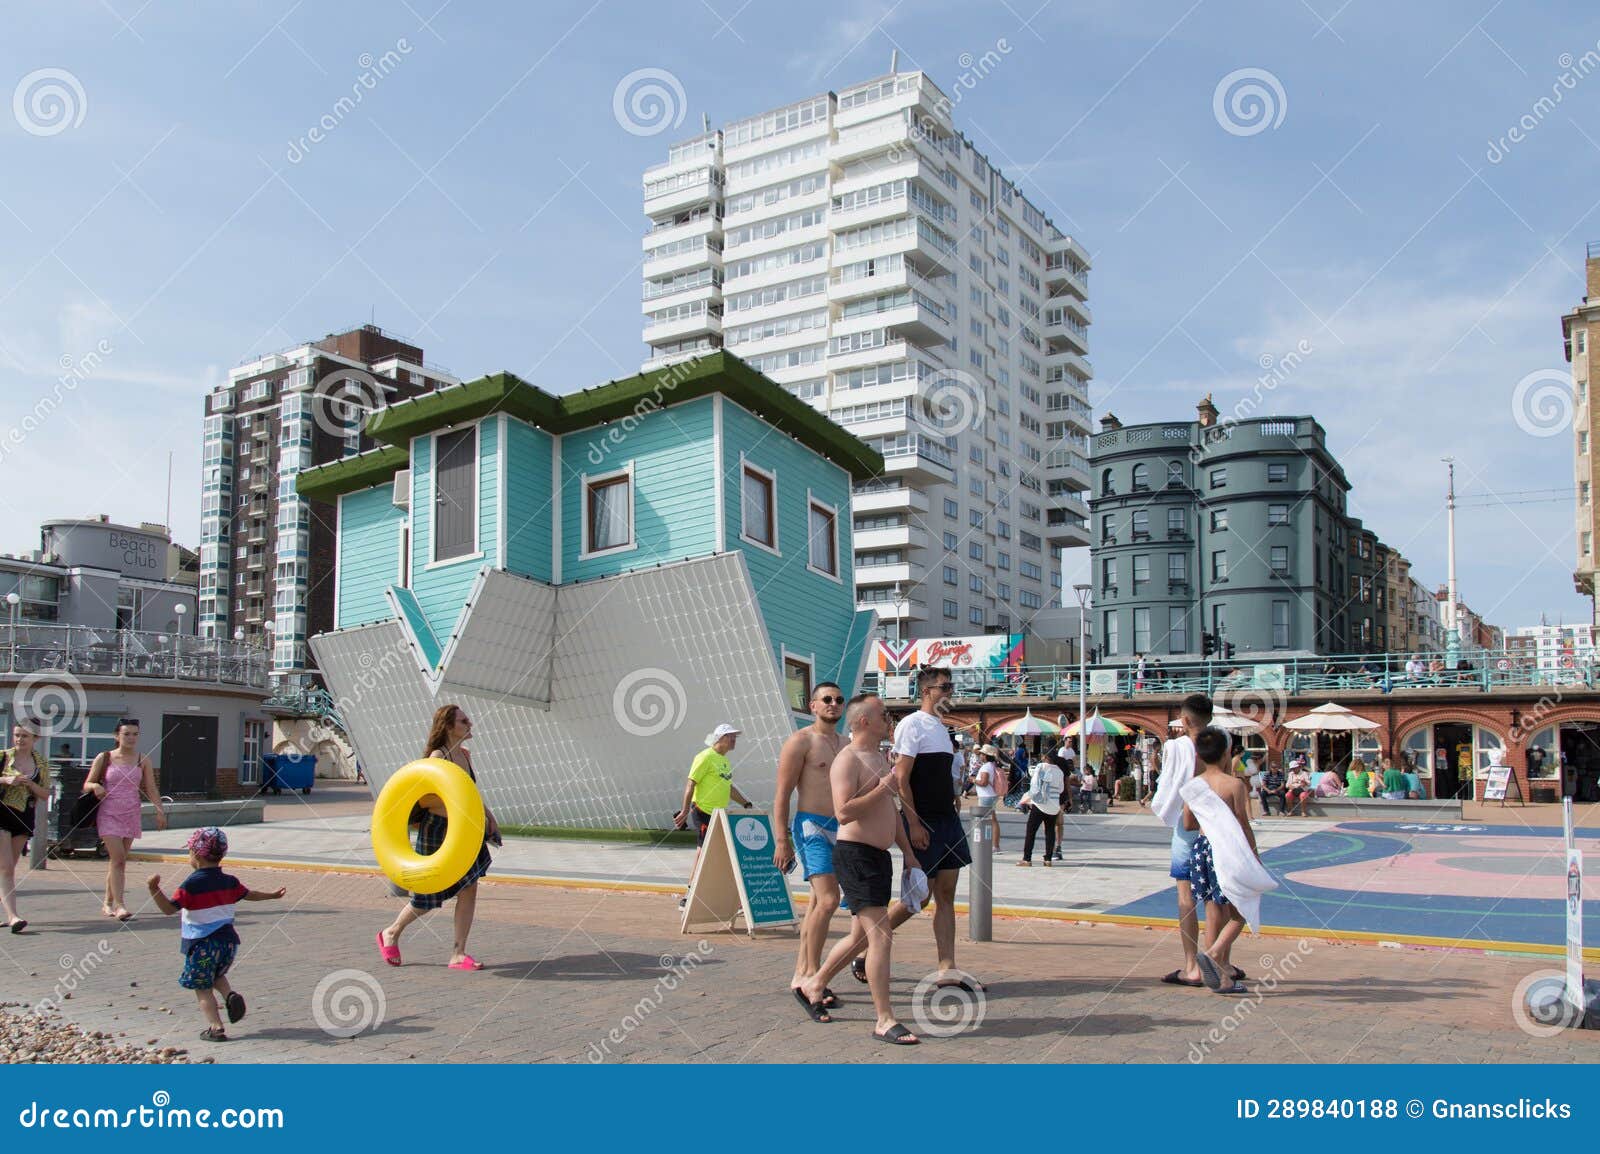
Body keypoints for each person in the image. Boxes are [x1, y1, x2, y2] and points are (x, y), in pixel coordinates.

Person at [846, 666, 980, 992]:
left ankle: (947, 967)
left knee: (946, 893)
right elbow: (901, 778)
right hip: (924, 820)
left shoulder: (940, 727)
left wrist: (952, 797)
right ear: (926, 691)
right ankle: (864, 948)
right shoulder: (911, 724)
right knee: (916, 896)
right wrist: (914, 822)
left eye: (950, 686)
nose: (949, 691)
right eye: (943, 686)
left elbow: (937, 775)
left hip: (946, 818)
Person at [797, 694, 921, 1044]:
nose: (890, 720)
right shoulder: (846, 760)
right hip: (855, 855)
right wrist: (882, 787)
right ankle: (884, 1019)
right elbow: (844, 811)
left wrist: (908, 853)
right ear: (865, 721)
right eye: (885, 715)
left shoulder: (881, 758)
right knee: (881, 935)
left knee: (860, 936)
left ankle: (815, 984)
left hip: (878, 856)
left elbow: (891, 812)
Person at [376, 705, 499, 970]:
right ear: (448, 726)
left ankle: (458, 953)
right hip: (439, 829)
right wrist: (455, 801)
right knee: (427, 898)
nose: (470, 724)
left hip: (464, 829)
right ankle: (392, 932)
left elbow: (470, 793)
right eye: (464, 720)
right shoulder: (436, 758)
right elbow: (425, 798)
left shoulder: (464, 756)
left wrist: (488, 815)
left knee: (469, 888)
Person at [145, 826, 286, 1042]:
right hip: (228, 943)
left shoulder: (192, 884)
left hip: (202, 945)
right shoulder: (229, 881)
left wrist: (154, 888)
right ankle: (230, 995)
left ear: (195, 855)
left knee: (202, 987)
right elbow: (250, 895)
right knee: (217, 975)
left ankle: (216, 1027)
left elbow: (168, 909)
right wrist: (272, 896)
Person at [1151, 693, 1242, 989]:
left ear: (1186, 719)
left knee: (1185, 896)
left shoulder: (1177, 746)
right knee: (1217, 895)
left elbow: (1169, 782)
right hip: (1214, 823)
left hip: (1186, 823)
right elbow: (1227, 777)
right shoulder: (1222, 741)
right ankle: (1219, 960)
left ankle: (1192, 966)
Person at [772, 683, 847, 1012]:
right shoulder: (800, 742)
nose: (834, 704)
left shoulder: (846, 744)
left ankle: (805, 971)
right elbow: (782, 793)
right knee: (830, 900)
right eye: (827, 700)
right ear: (813, 706)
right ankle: (809, 975)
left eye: (839, 700)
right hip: (811, 825)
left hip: (842, 827)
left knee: (818, 903)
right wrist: (781, 839)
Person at [1184, 726, 1259, 996]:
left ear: (1200, 755)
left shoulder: (1192, 786)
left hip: (1202, 848)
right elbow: (1243, 823)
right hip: (1227, 850)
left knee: (1213, 911)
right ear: (1227, 753)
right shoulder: (1235, 784)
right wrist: (1254, 855)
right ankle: (1214, 955)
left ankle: (1220, 973)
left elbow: (1188, 822)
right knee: (1241, 911)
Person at [84, 719, 166, 920]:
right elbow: (87, 783)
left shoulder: (142, 759)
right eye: (126, 733)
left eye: (135, 734)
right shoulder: (105, 758)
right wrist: (95, 787)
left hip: (131, 812)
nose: (131, 738)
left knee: (117, 861)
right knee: (118, 858)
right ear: (117, 736)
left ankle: (107, 902)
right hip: (108, 812)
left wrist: (159, 810)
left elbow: (151, 787)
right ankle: (120, 905)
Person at [674, 722, 754, 909]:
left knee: (727, 854)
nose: (734, 740)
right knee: (702, 852)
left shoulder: (725, 761)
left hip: (720, 815)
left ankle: (732, 899)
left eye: (735, 736)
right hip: (703, 812)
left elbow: (728, 788)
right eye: (731, 736)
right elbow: (690, 784)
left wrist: (746, 803)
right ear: (721, 738)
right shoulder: (704, 757)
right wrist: (685, 811)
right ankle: (688, 896)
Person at [0, 718, 52, 932]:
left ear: (35, 738)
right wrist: (5, 780)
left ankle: (8, 912)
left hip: (23, 816)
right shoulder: (3, 756)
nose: (20, 739)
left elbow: (46, 793)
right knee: (5, 866)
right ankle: (13, 916)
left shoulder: (41, 763)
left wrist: (30, 783)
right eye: (17, 735)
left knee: (9, 867)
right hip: (1, 811)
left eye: (25, 736)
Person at [1017, 751, 1064, 866]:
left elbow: (1034, 784)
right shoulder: (1059, 771)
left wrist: (1027, 799)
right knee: (1050, 831)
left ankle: (1027, 859)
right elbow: (1061, 789)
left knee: (1031, 831)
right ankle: (1048, 859)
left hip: (1040, 804)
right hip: (1054, 805)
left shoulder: (1040, 766)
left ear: (1045, 757)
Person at [972, 744, 1003, 854]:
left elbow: (984, 783)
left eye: (981, 753)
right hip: (992, 795)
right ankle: (995, 845)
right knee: (992, 820)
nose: (980, 755)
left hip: (986, 796)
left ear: (985, 755)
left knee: (984, 822)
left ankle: (987, 845)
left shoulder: (986, 767)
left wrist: (974, 781)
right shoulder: (992, 765)